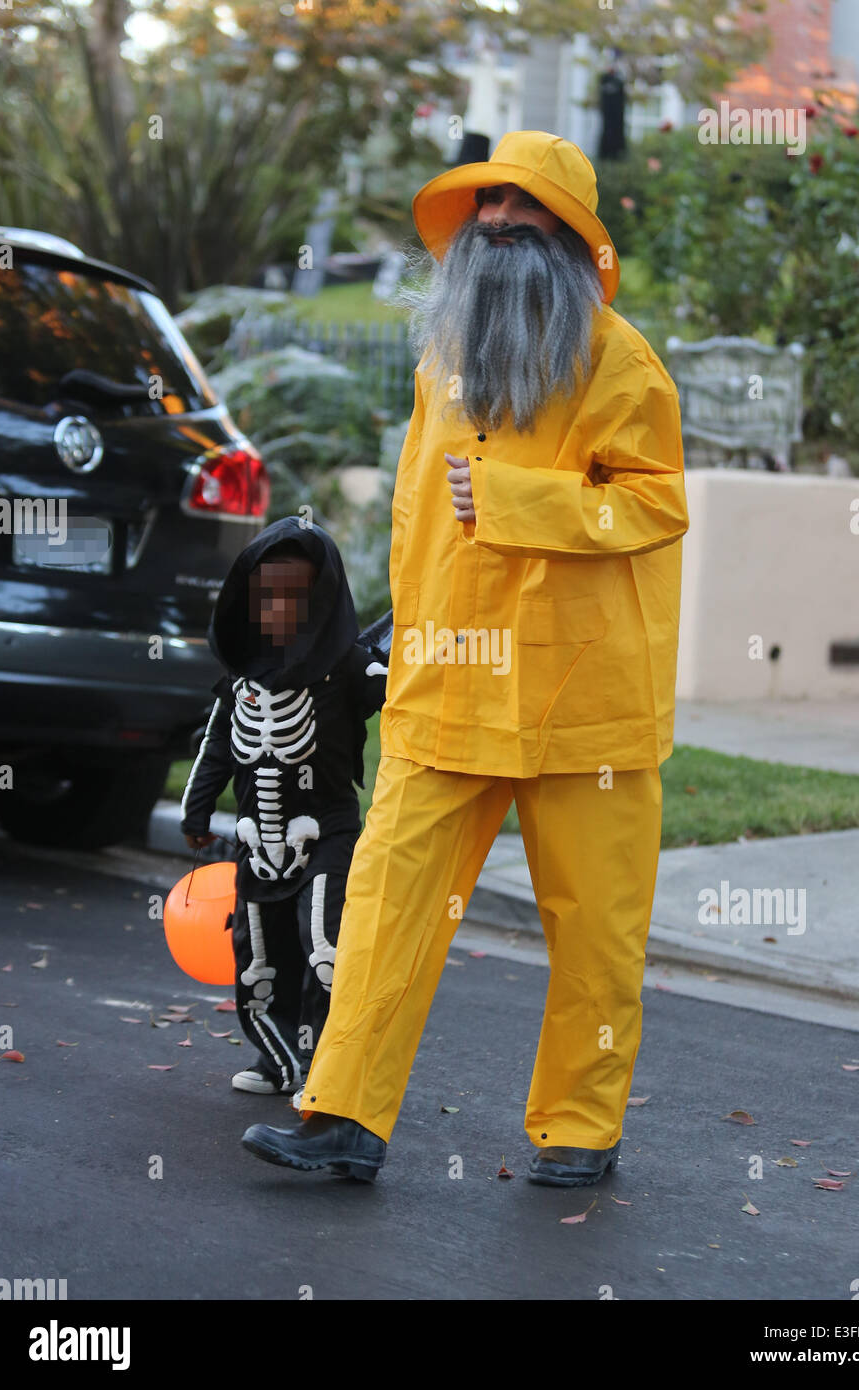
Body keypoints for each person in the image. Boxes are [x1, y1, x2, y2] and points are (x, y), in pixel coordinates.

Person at [241, 129, 689, 1185]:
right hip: (445, 682)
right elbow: (413, 517)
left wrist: (516, 501)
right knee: (387, 900)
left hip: (585, 701)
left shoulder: (622, 362)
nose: (494, 227)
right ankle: (342, 1113)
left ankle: (579, 1127)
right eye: (482, 210)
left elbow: (656, 502)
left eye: (520, 210)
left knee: (595, 929)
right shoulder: (439, 363)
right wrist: (385, 632)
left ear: (571, 238)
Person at [180, 517, 387, 1094]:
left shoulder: (345, 667)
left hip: (327, 832)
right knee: (258, 958)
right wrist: (197, 815)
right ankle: (276, 1058)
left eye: (297, 597)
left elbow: (398, 688)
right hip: (255, 842)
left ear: (323, 599)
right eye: (266, 597)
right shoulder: (242, 676)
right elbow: (216, 746)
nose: (279, 610)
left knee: (323, 944)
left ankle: (326, 1067)